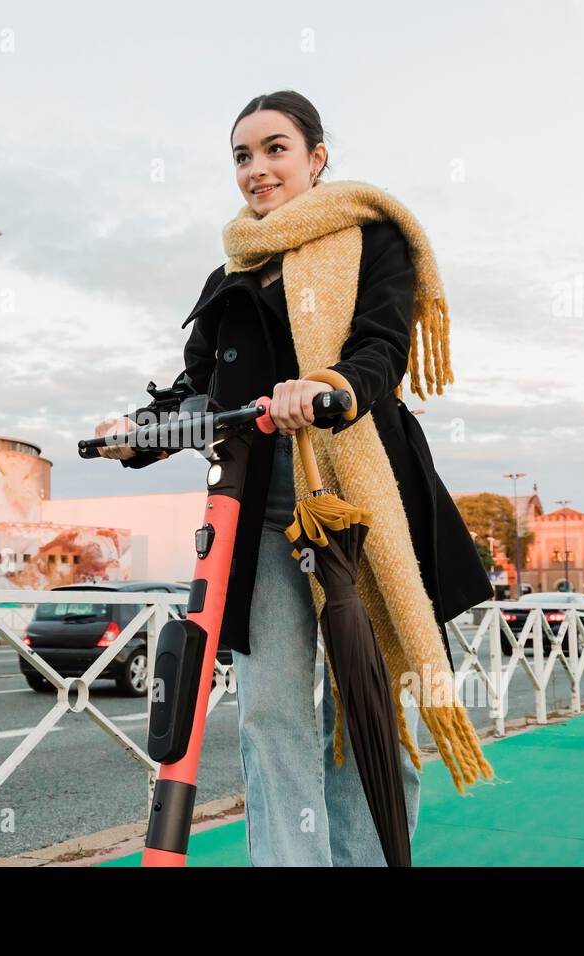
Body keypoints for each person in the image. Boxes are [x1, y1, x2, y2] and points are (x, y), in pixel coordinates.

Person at [93, 90, 492, 866]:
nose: (257, 169)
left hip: (359, 501)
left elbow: (381, 350)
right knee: (270, 715)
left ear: (317, 158)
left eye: (276, 149)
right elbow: (196, 390)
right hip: (256, 512)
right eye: (242, 156)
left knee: (363, 711)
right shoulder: (230, 274)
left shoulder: (374, 241)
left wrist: (330, 386)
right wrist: (135, 434)